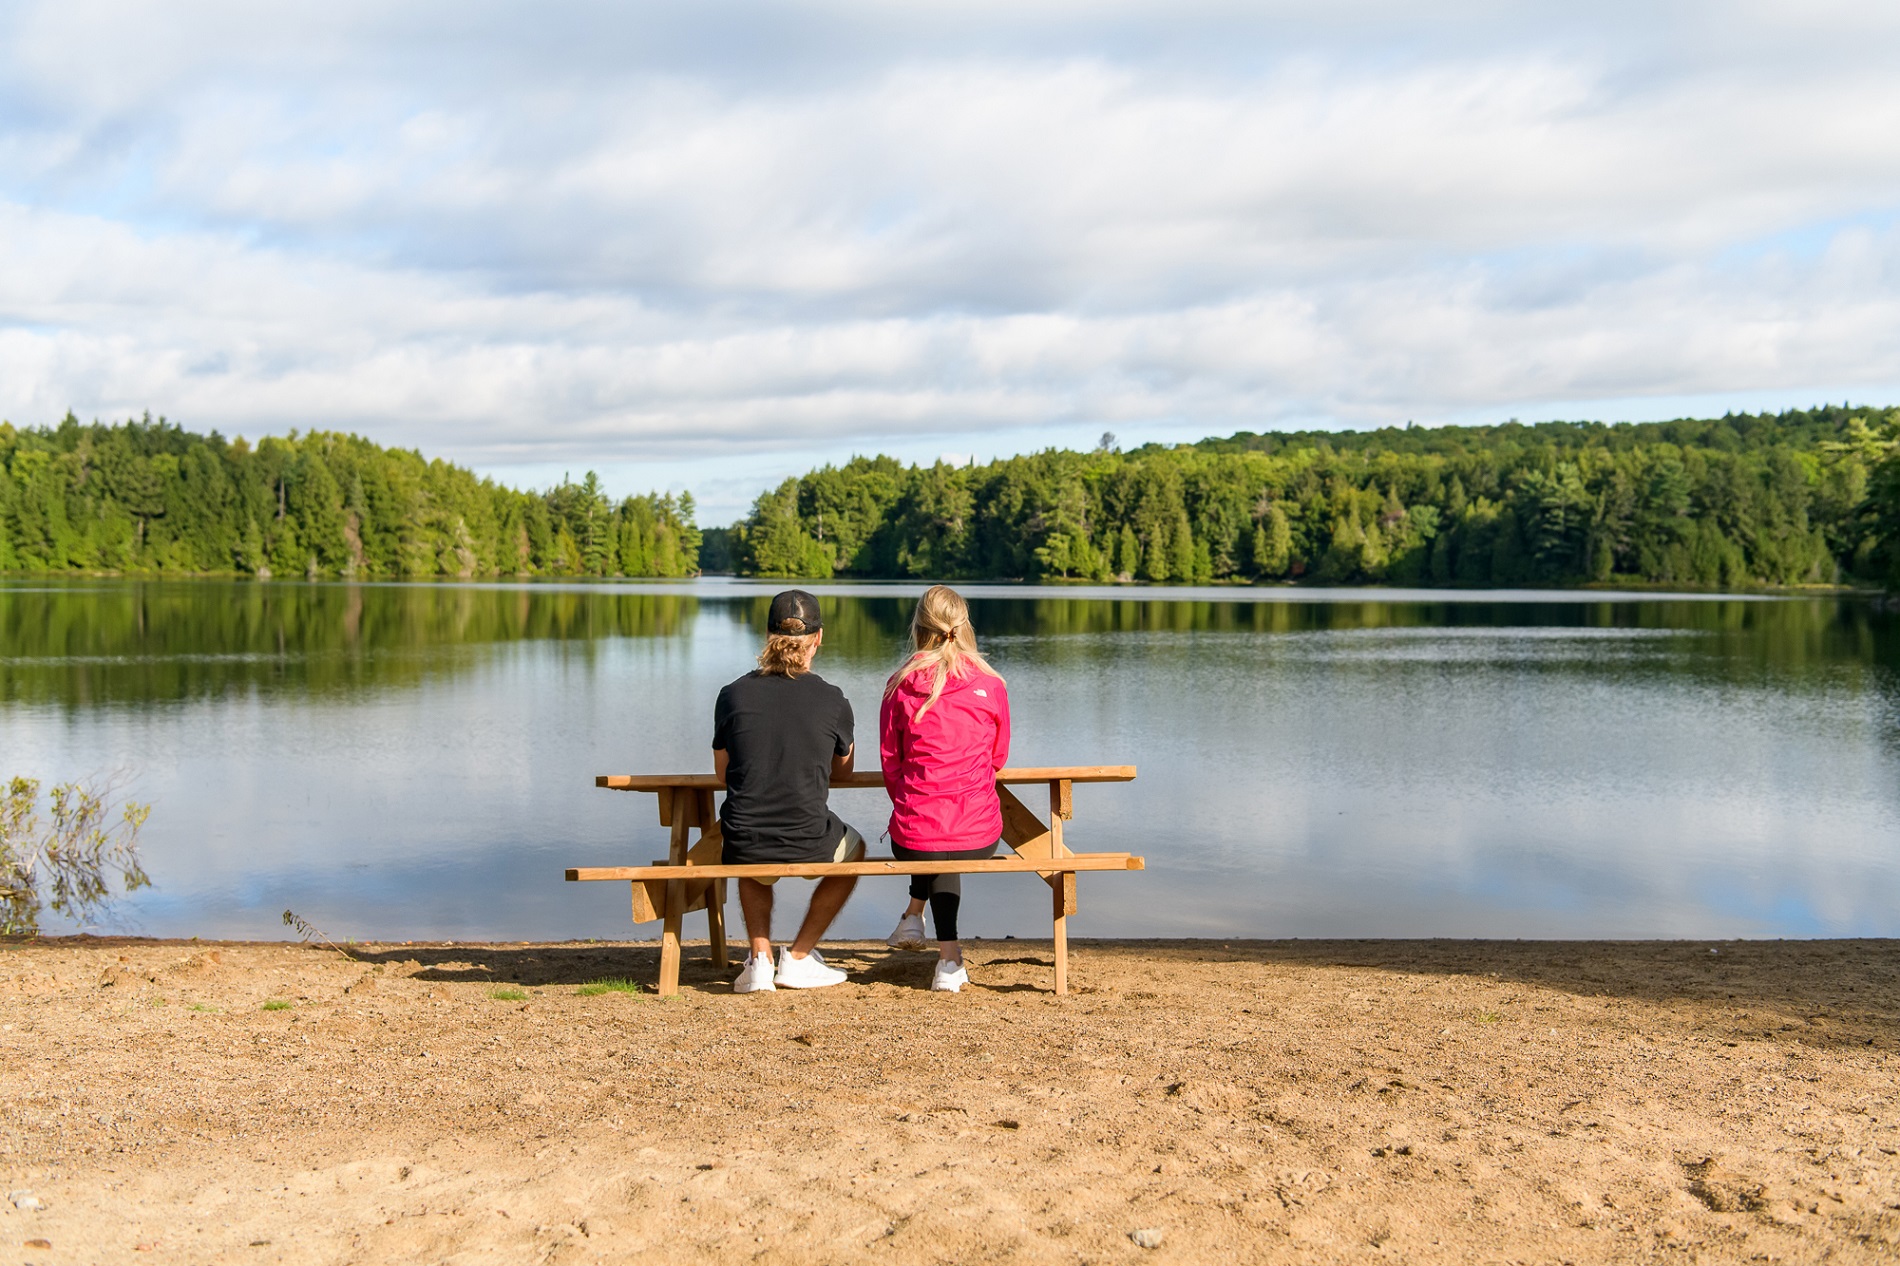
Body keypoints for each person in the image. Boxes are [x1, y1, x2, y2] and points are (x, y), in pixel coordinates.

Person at [713, 589, 863, 993]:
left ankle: (760, 959)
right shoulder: (833, 699)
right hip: (809, 838)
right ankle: (797, 957)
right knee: (857, 849)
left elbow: (722, 771)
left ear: (766, 636)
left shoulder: (732, 695)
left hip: (745, 841)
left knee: (745, 841)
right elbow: (844, 775)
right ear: (818, 639)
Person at [879, 585, 1009, 993]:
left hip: (915, 837)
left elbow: (891, 764)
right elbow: (998, 758)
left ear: (918, 628)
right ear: (964, 627)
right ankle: (939, 950)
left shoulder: (899, 684)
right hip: (980, 836)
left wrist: (914, 800)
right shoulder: (991, 683)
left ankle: (931, 937)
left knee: (929, 826)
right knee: (942, 828)